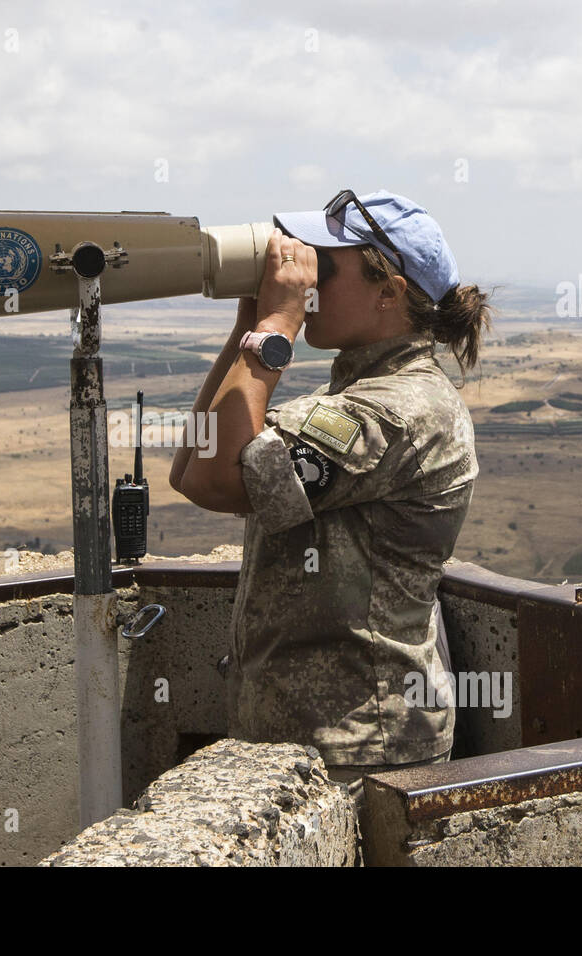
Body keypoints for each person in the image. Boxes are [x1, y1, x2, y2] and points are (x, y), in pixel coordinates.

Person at [169, 188, 493, 830]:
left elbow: (212, 481)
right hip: (314, 740)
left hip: (359, 749)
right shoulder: (360, 393)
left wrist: (276, 328)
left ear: (388, 292)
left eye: (327, 264)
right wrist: (248, 328)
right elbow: (194, 465)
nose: (307, 277)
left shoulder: (394, 413)